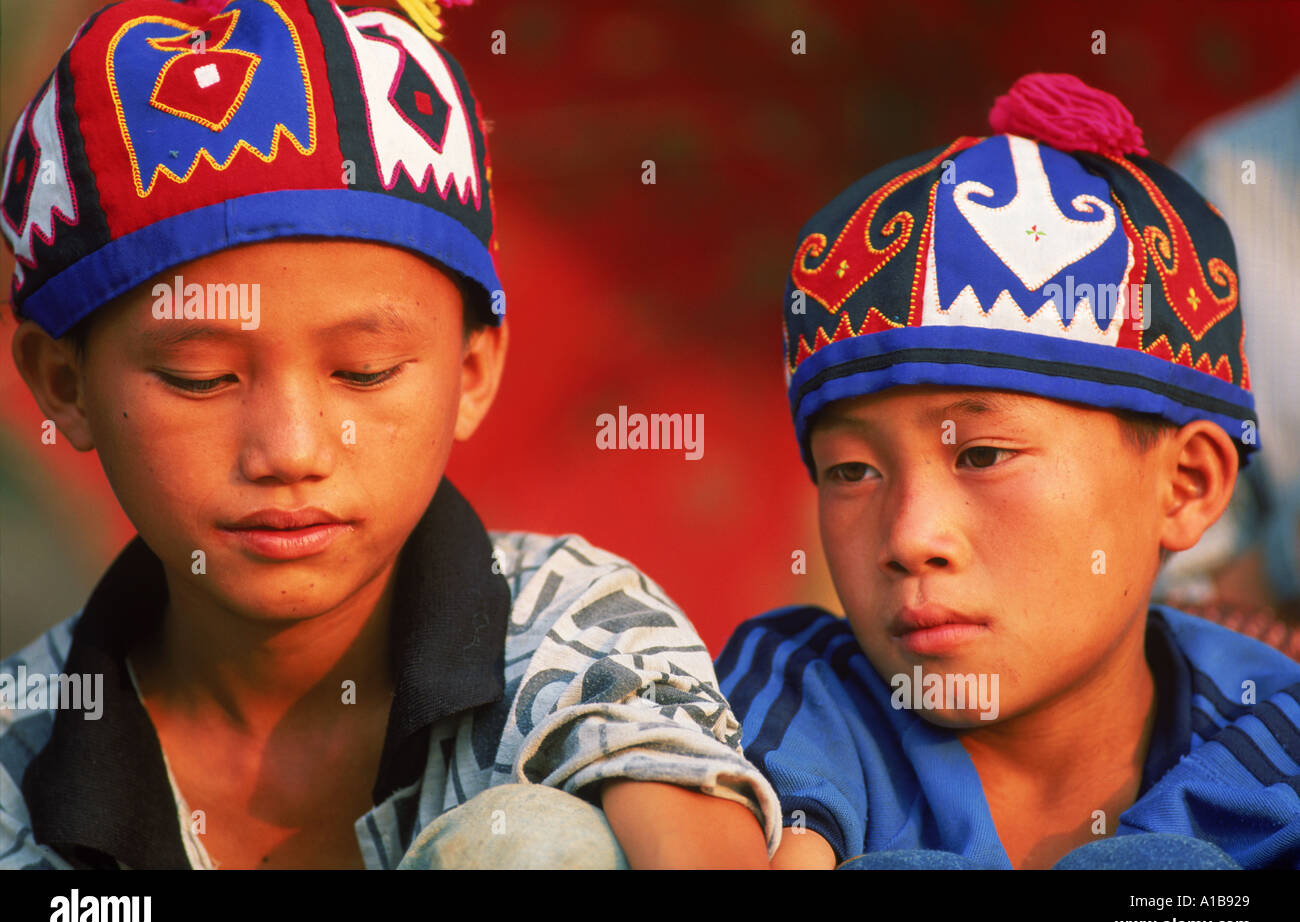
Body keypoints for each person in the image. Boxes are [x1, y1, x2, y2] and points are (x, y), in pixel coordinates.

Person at [0, 0, 778, 869]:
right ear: (62, 383)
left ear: (473, 371)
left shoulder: (576, 634)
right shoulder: (19, 750)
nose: (292, 449)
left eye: (365, 370)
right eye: (201, 377)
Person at [715, 72, 1300, 869]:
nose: (912, 538)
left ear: (1188, 482)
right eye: (851, 470)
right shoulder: (782, 711)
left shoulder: (1275, 740)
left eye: (983, 454)